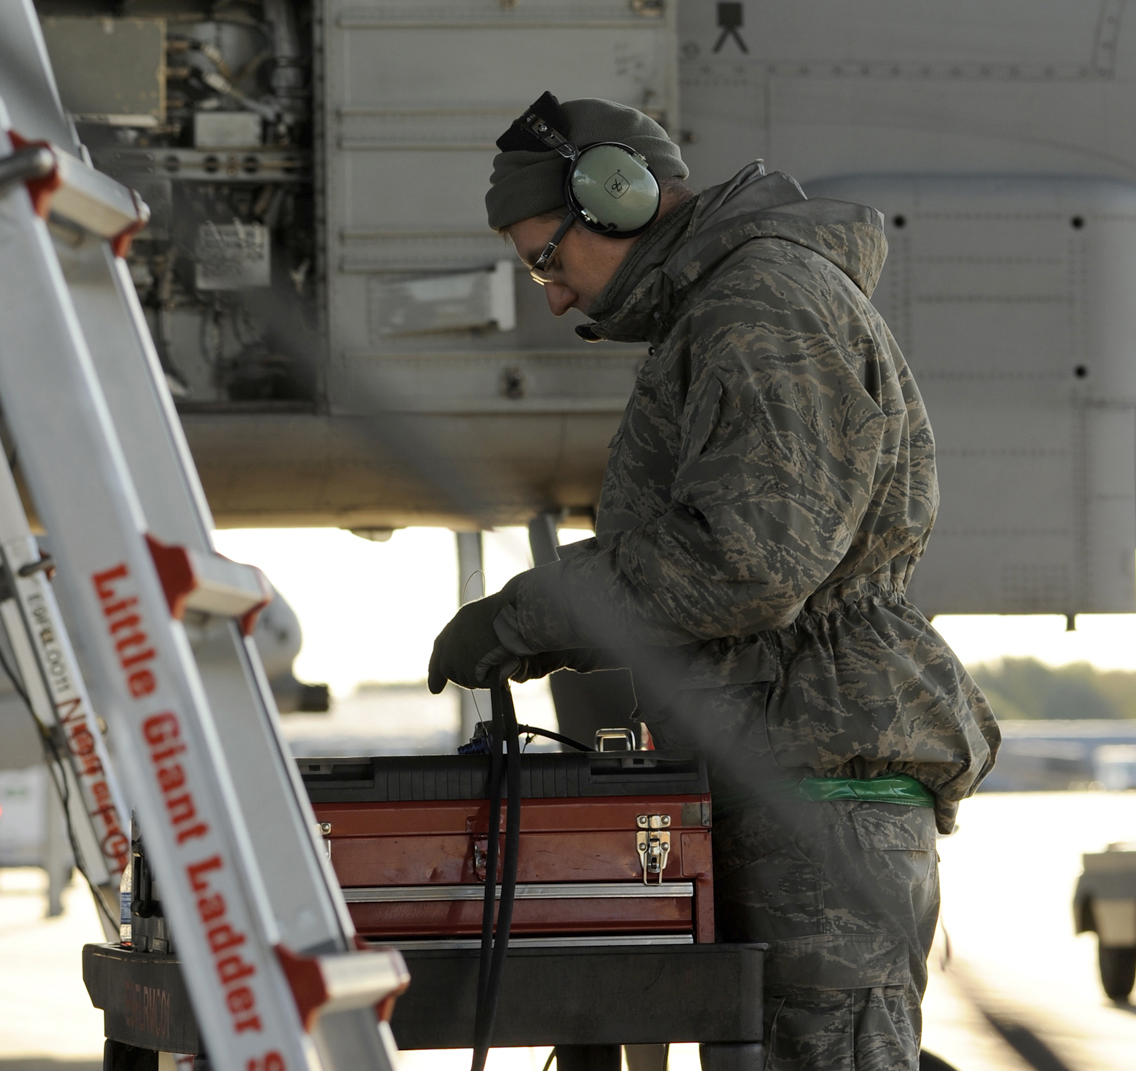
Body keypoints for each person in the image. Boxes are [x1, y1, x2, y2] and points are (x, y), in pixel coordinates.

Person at [428, 92, 999, 1071]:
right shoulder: (723, 312)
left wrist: (531, 616)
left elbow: (748, 562)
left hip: (818, 786)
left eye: (546, 259)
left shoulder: (763, 309)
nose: (551, 295)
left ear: (617, 199)